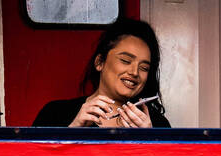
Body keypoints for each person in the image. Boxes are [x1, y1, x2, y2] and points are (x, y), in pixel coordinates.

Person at [33, 18, 171, 128]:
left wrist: (151, 142)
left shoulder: (157, 124)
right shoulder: (54, 113)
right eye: (125, 60)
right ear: (100, 62)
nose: (134, 72)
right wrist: (73, 131)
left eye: (144, 68)